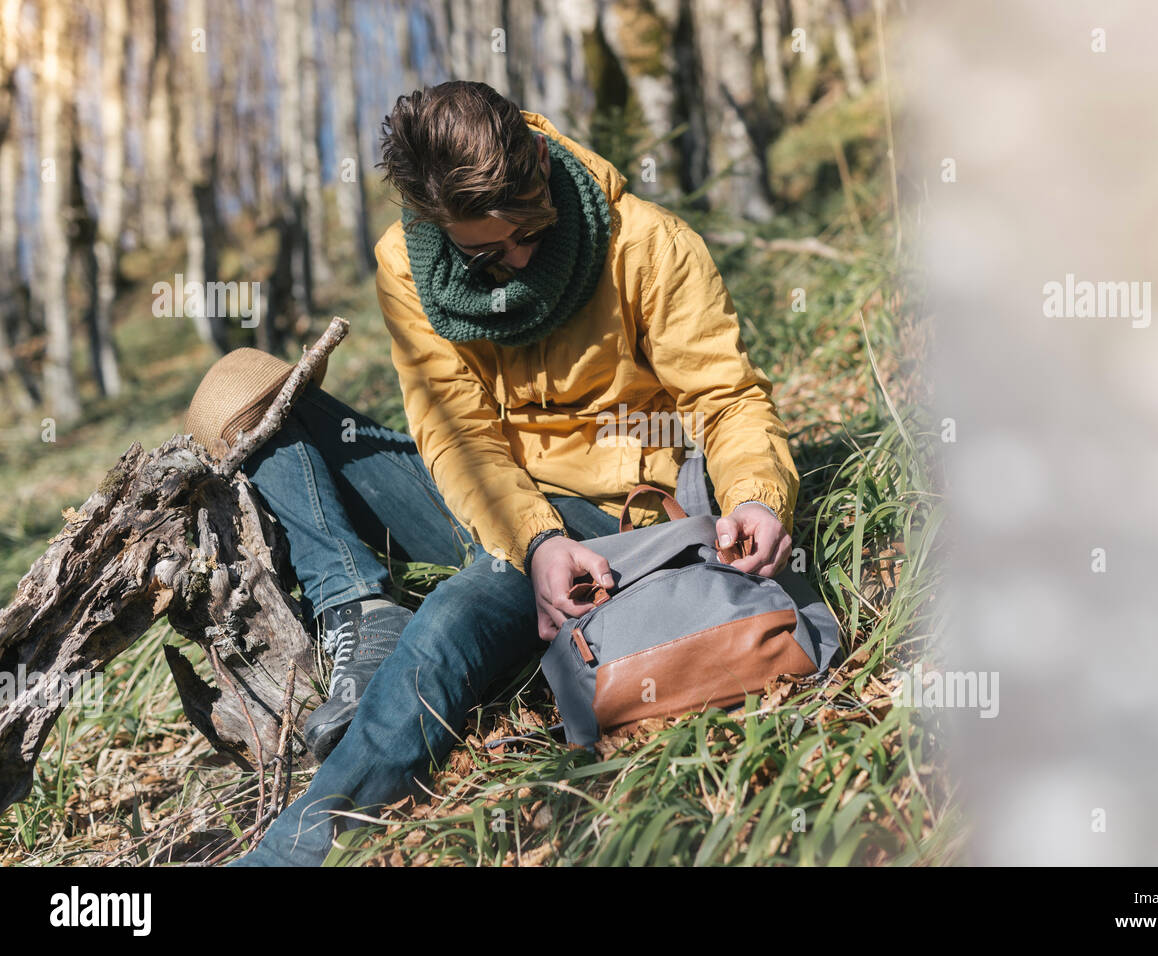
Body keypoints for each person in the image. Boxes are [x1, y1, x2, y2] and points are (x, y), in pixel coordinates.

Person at [193, 80, 798, 866]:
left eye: (532, 232)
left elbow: (726, 398)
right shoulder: (406, 266)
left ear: (540, 160)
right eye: (485, 253)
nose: (516, 261)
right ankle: (360, 607)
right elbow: (459, 433)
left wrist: (755, 493)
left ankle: (292, 852)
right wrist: (527, 533)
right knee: (243, 397)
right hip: (487, 491)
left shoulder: (648, 245)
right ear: (433, 224)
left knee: (455, 615)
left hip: (606, 514)